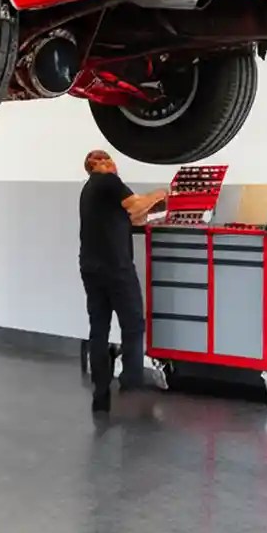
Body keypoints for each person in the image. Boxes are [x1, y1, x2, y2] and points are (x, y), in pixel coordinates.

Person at [79, 150, 168, 412]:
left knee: (99, 328)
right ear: (100, 164)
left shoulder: (89, 189)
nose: (112, 164)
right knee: (133, 323)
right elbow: (135, 206)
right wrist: (160, 194)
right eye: (107, 160)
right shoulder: (109, 181)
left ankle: (101, 391)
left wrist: (147, 211)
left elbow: (130, 216)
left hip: (90, 267)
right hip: (116, 267)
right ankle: (131, 381)